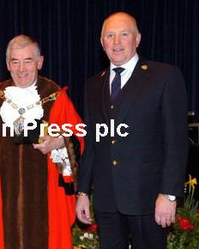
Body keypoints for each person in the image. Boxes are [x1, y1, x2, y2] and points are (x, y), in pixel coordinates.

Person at [76, 12, 187, 249]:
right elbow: (93, 142)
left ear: (137, 39)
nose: (116, 42)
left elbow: (176, 142)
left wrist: (169, 194)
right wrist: (83, 191)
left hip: (149, 199)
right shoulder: (93, 84)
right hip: (107, 200)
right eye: (110, 35)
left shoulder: (164, 76)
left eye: (124, 35)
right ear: (102, 42)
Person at [0, 34, 84, 249]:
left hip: (47, 198)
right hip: (6, 197)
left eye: (28, 61)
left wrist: (60, 142)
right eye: (15, 61)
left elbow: (80, 137)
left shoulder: (56, 97)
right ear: (7, 64)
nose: (21, 69)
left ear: (39, 62)